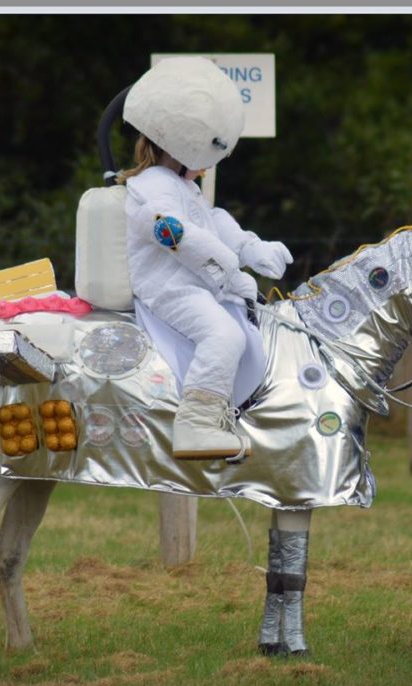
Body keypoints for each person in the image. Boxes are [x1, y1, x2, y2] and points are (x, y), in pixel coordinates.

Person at [120, 56, 292, 460]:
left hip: (191, 285)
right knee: (223, 336)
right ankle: (195, 425)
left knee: (250, 329)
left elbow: (212, 223)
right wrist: (229, 270)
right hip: (168, 289)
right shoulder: (153, 186)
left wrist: (250, 248)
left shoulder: (182, 187)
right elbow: (175, 233)